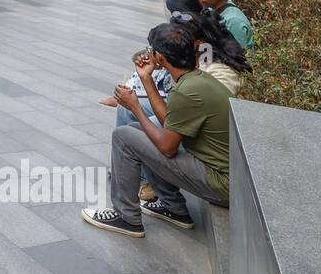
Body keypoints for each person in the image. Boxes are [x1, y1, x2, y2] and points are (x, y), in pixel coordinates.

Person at [83, 23, 231, 237]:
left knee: (123, 136)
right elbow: (169, 121)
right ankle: (175, 209)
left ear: (160, 57)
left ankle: (126, 218)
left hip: (220, 183)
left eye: (151, 50)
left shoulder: (187, 91)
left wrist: (134, 107)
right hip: (221, 173)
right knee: (137, 130)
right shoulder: (197, 80)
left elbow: (167, 147)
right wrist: (146, 78)